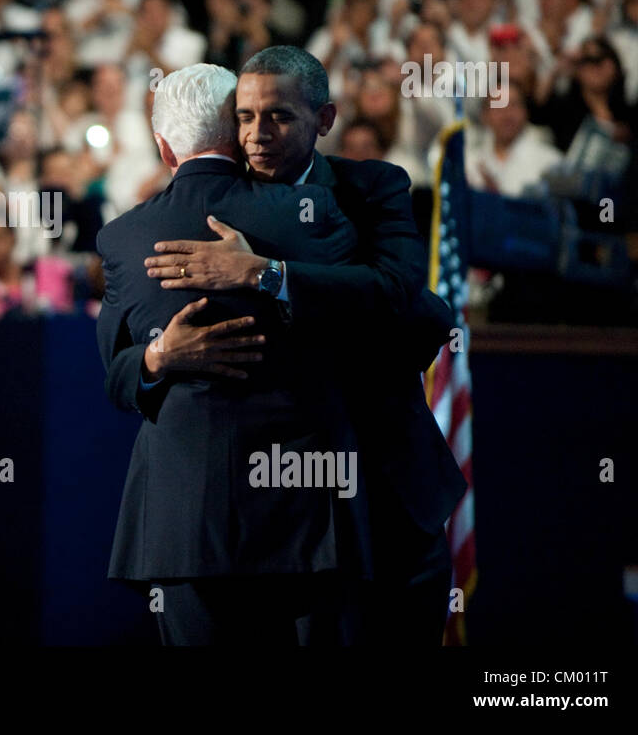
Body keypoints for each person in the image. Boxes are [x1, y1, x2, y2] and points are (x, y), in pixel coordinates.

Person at [130, 47, 466, 646]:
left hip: (386, 488)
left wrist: (266, 273)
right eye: (245, 117)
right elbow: (127, 353)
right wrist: (160, 356)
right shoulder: (198, 211)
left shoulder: (374, 189)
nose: (258, 134)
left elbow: (405, 298)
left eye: (279, 117)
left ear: (325, 119)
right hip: (269, 519)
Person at [95, 62, 370, 645]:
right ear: (238, 130)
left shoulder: (121, 236)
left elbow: (117, 381)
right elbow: (366, 326)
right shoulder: (309, 212)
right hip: (302, 518)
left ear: (164, 147)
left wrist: (156, 358)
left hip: (181, 523)